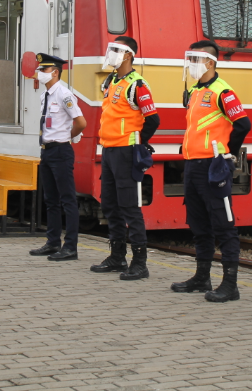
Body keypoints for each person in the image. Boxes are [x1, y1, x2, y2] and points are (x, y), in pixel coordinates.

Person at [171, 40, 251, 302]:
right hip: (193, 165)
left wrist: (227, 153)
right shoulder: (195, 91)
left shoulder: (223, 91)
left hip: (213, 166)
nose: (190, 65)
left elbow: (243, 124)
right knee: (198, 224)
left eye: (195, 60)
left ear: (210, 62)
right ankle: (202, 276)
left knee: (224, 226)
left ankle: (230, 285)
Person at [90, 37, 160, 280]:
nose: (111, 53)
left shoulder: (138, 85)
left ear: (129, 55)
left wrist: (139, 142)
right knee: (109, 204)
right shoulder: (112, 81)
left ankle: (139, 262)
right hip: (109, 150)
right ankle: (117, 257)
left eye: (117, 50)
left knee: (130, 207)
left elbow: (153, 119)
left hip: (126, 151)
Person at [29, 53, 87, 261]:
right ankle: (52, 242)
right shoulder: (45, 95)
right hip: (47, 151)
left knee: (67, 200)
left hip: (61, 150)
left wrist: (65, 137)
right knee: (51, 200)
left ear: (55, 72)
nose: (40, 73)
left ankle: (70, 247)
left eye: (43, 70)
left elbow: (81, 122)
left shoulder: (64, 94)